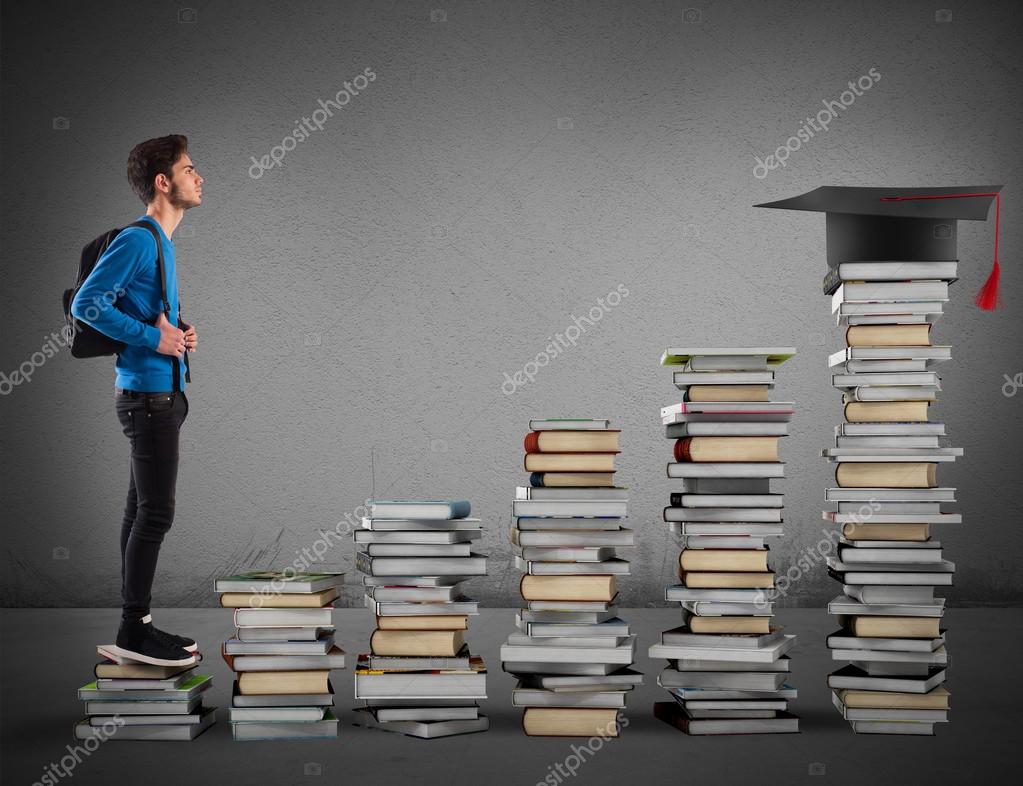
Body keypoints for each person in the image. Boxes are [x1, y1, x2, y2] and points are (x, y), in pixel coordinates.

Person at [71, 135, 202, 665]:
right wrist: (154, 339)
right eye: (190, 169)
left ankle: (136, 625)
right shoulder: (142, 239)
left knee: (140, 509)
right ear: (163, 182)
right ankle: (134, 629)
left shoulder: (161, 244)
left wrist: (178, 334)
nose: (201, 176)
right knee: (155, 514)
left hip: (157, 395)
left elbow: (145, 313)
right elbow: (87, 304)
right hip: (147, 400)